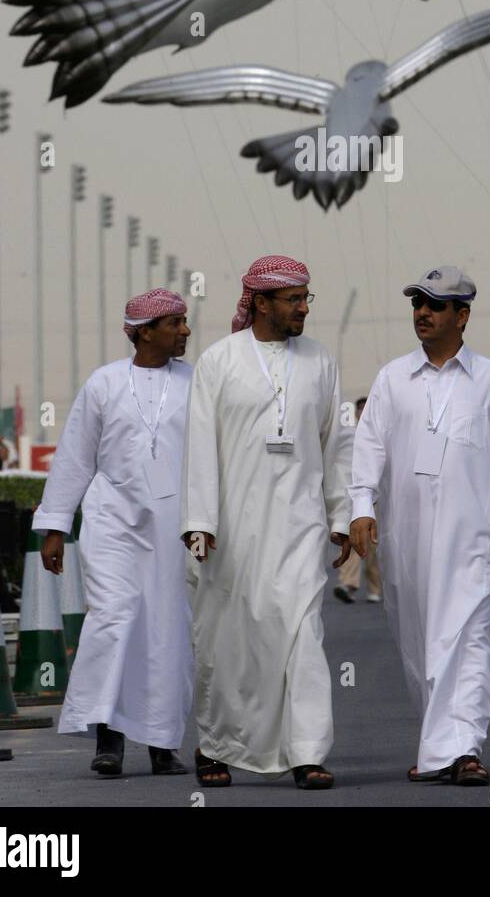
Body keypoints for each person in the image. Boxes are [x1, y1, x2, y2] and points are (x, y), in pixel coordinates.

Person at [350, 266, 490, 785]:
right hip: (407, 541)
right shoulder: (392, 378)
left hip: (473, 541)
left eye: (435, 305)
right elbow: (368, 447)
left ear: (462, 316)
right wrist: (361, 507)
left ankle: (464, 749)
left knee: (468, 639)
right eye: (418, 302)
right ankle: (439, 743)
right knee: (419, 643)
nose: (422, 312)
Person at [182, 254, 352, 790]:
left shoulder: (320, 362)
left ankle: (307, 751)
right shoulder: (219, 361)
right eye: (293, 299)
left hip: (298, 526)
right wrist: (199, 521)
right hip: (232, 532)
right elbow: (200, 446)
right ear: (259, 301)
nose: (303, 307)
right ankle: (216, 746)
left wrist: (340, 515)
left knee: (304, 633)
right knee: (228, 643)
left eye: (307, 297)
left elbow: (336, 445)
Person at [34, 289, 194, 777]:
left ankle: (163, 743)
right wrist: (55, 526)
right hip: (112, 521)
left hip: (175, 525)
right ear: (145, 331)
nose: (186, 331)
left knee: (168, 627)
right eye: (175, 323)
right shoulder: (103, 383)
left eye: (185, 322)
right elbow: (76, 457)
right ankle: (108, 735)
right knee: (114, 617)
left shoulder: (197, 381)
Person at [334, 397, 383, 604]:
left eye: (366, 409)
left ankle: (375, 588)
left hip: (377, 496)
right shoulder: (349, 435)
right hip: (353, 497)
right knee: (351, 538)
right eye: (360, 409)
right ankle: (348, 583)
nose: (362, 413)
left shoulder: (379, 433)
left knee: (373, 547)